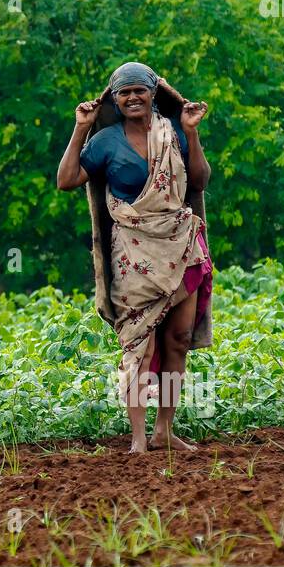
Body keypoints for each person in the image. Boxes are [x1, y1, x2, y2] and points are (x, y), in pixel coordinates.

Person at [56, 61, 214, 453]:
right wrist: (80, 129)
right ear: (115, 99)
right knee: (138, 343)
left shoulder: (173, 132)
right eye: (123, 92)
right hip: (133, 253)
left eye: (138, 90)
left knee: (177, 340)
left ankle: (165, 429)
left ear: (151, 94)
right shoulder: (106, 141)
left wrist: (192, 134)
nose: (131, 98)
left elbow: (199, 180)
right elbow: (66, 179)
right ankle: (139, 438)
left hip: (179, 247)